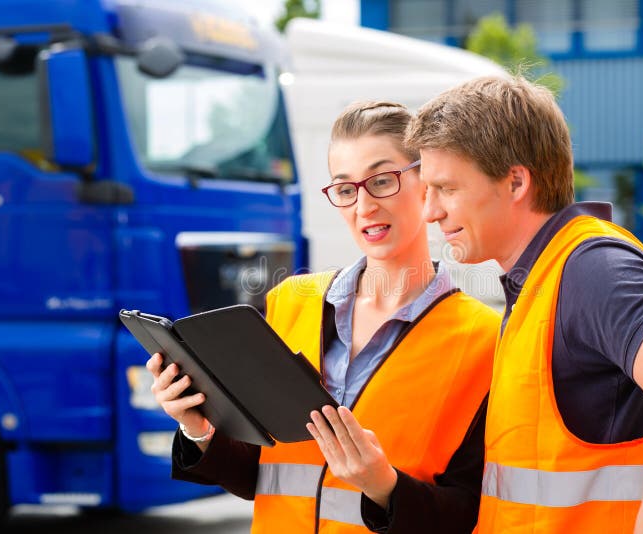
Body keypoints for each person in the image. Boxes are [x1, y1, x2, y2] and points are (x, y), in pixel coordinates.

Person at [405, 75, 643, 534]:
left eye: (446, 188)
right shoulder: (542, 279)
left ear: (516, 182)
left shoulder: (591, 269)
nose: (430, 211)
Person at [146, 101, 500, 533]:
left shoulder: (484, 340)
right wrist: (198, 427)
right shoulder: (290, 303)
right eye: (346, 189)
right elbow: (260, 474)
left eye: (382, 181)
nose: (363, 206)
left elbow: (470, 513)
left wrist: (384, 486)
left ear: (425, 183)